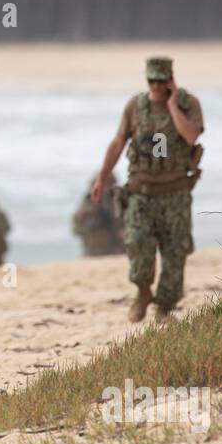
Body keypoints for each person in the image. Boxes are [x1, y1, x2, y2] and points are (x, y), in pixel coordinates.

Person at [90, 57, 204, 322]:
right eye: (151, 80)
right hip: (141, 192)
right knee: (136, 241)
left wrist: (172, 104)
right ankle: (142, 291)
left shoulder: (188, 104)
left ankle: (164, 308)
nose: (155, 86)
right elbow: (118, 142)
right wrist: (101, 178)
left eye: (161, 81)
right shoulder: (136, 107)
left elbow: (190, 136)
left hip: (175, 193)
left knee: (175, 252)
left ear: (170, 80)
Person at [73, 172, 125, 256]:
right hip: (93, 249)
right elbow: (76, 228)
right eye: (105, 184)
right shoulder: (88, 204)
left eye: (109, 184)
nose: (106, 188)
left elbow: (126, 226)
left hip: (116, 249)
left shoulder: (118, 201)